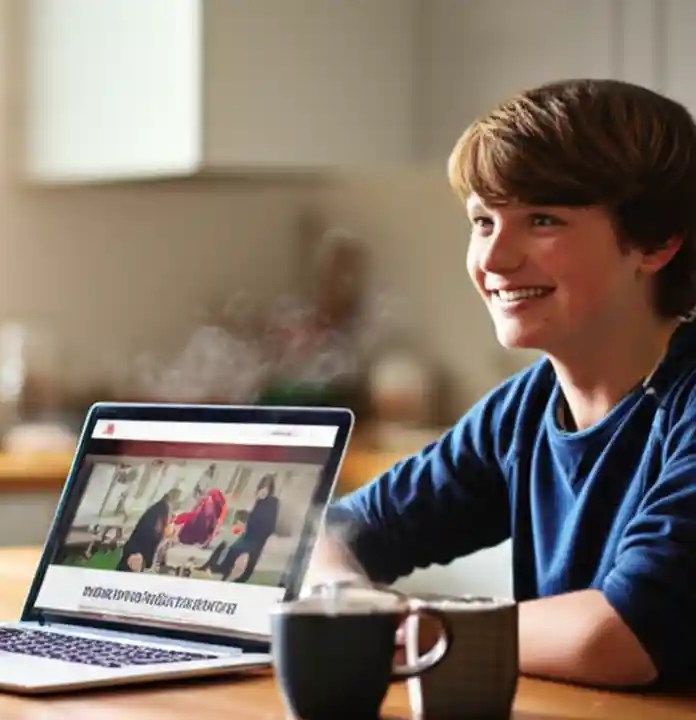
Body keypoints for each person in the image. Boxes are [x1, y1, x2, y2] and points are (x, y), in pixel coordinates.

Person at [309, 79, 696, 689]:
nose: (493, 259)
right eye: (483, 220)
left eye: (542, 220)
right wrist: (343, 598)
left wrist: (406, 627)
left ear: (656, 241)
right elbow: (332, 531)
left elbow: (619, 636)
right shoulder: (524, 408)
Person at [201, 474, 280, 583]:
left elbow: (269, 521)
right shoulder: (258, 501)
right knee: (233, 549)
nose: (264, 490)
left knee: (248, 558)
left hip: (258, 537)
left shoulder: (273, 502)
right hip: (249, 534)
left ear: (270, 489)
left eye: (266, 487)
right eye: (262, 487)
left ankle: (236, 576)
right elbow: (251, 516)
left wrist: (261, 532)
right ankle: (223, 569)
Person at [117, 490, 180, 572]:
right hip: (138, 552)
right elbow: (157, 529)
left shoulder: (159, 508)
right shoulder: (162, 508)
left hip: (138, 550)